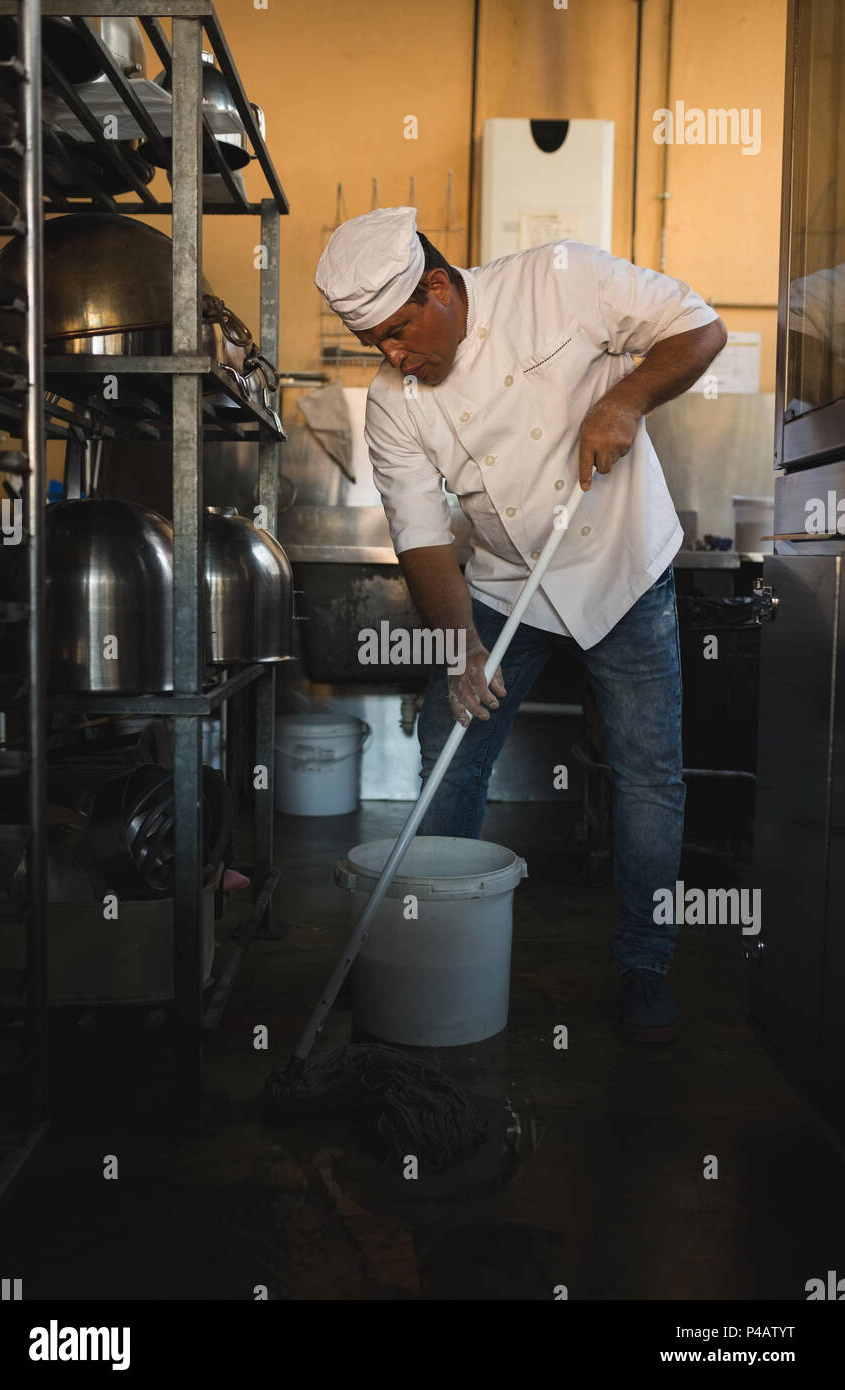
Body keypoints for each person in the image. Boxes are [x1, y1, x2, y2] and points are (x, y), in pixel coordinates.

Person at [315, 206, 727, 1042]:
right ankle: (422, 937)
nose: (393, 358)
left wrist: (626, 399)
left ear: (438, 288)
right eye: (376, 346)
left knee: (649, 774)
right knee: (453, 749)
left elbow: (700, 328)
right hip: (509, 583)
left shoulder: (559, 281)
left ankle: (645, 962)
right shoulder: (394, 401)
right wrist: (461, 646)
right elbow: (422, 537)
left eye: (398, 333)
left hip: (621, 564)